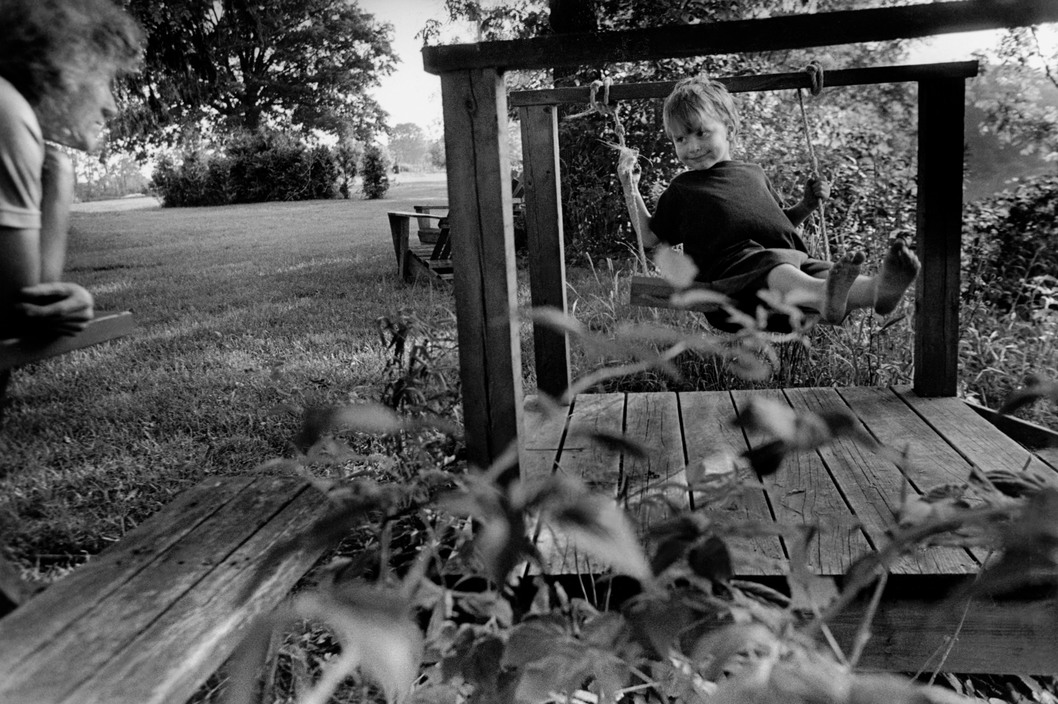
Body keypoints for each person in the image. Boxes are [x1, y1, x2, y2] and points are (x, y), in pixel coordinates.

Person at [618, 74, 920, 331]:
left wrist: (806, 206)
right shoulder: (683, 188)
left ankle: (877, 291)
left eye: (701, 132)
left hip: (787, 259)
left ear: (730, 129)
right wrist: (629, 184)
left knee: (823, 269)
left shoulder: (754, 173)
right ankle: (823, 296)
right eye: (680, 139)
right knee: (775, 265)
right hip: (731, 278)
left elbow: (777, 223)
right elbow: (650, 236)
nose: (692, 147)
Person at [0, 0, 142, 339]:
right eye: (107, 79)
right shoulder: (9, 114)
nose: (112, 106)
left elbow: (29, 302)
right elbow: (23, 315)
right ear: (66, 63)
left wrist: (59, 171)